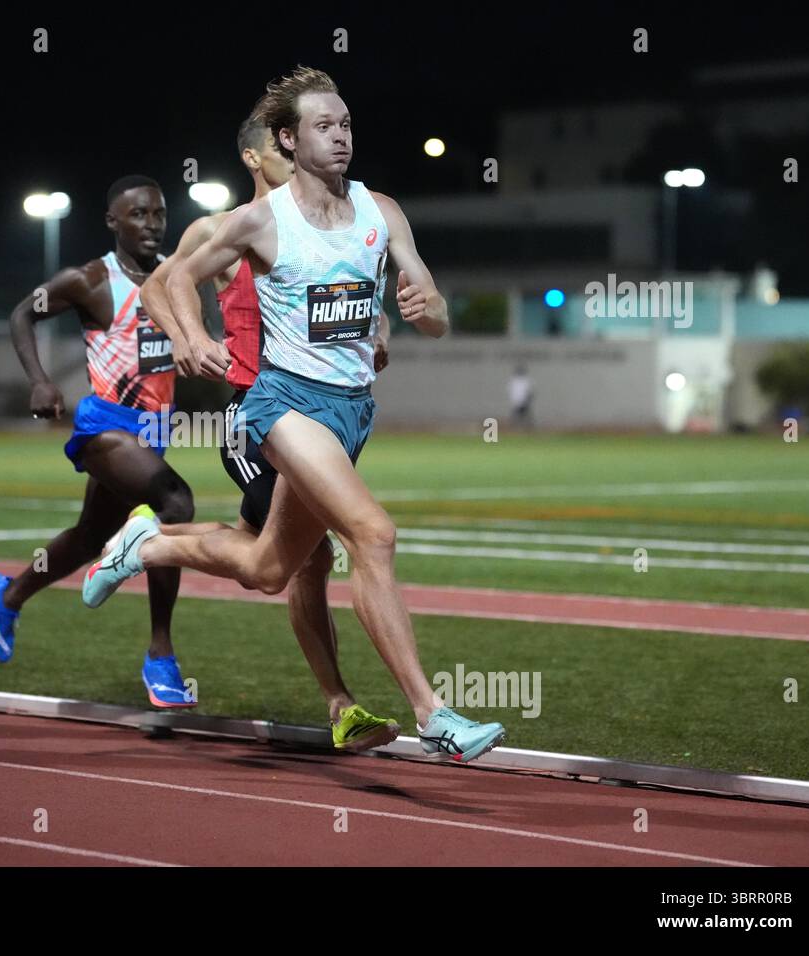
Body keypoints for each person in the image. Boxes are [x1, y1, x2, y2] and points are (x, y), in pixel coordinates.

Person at [83, 68, 506, 762]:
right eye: (323, 126)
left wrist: (428, 314)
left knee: (272, 567)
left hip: (352, 414)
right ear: (287, 139)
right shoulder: (256, 222)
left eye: (345, 125)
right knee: (373, 534)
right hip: (279, 406)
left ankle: (146, 546)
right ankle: (433, 714)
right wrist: (192, 340)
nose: (340, 136)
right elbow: (170, 281)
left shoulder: (383, 211)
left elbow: (430, 307)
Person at [139, 113, 398, 750]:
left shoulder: (320, 226)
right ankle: (342, 705)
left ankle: (342, 707)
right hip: (253, 413)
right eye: (288, 151)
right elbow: (157, 286)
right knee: (301, 557)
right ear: (260, 158)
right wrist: (188, 337)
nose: (304, 163)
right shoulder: (223, 226)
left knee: (292, 564)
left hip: (317, 413)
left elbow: (363, 305)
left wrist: (379, 333)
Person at [0, 175, 199, 708]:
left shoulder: (176, 276)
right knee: (175, 503)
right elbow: (20, 314)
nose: (152, 224)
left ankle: (9, 596)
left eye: (158, 213)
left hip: (154, 431)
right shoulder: (89, 279)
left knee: (87, 538)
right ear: (112, 222)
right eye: (138, 215)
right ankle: (161, 655)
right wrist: (39, 378)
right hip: (104, 425)